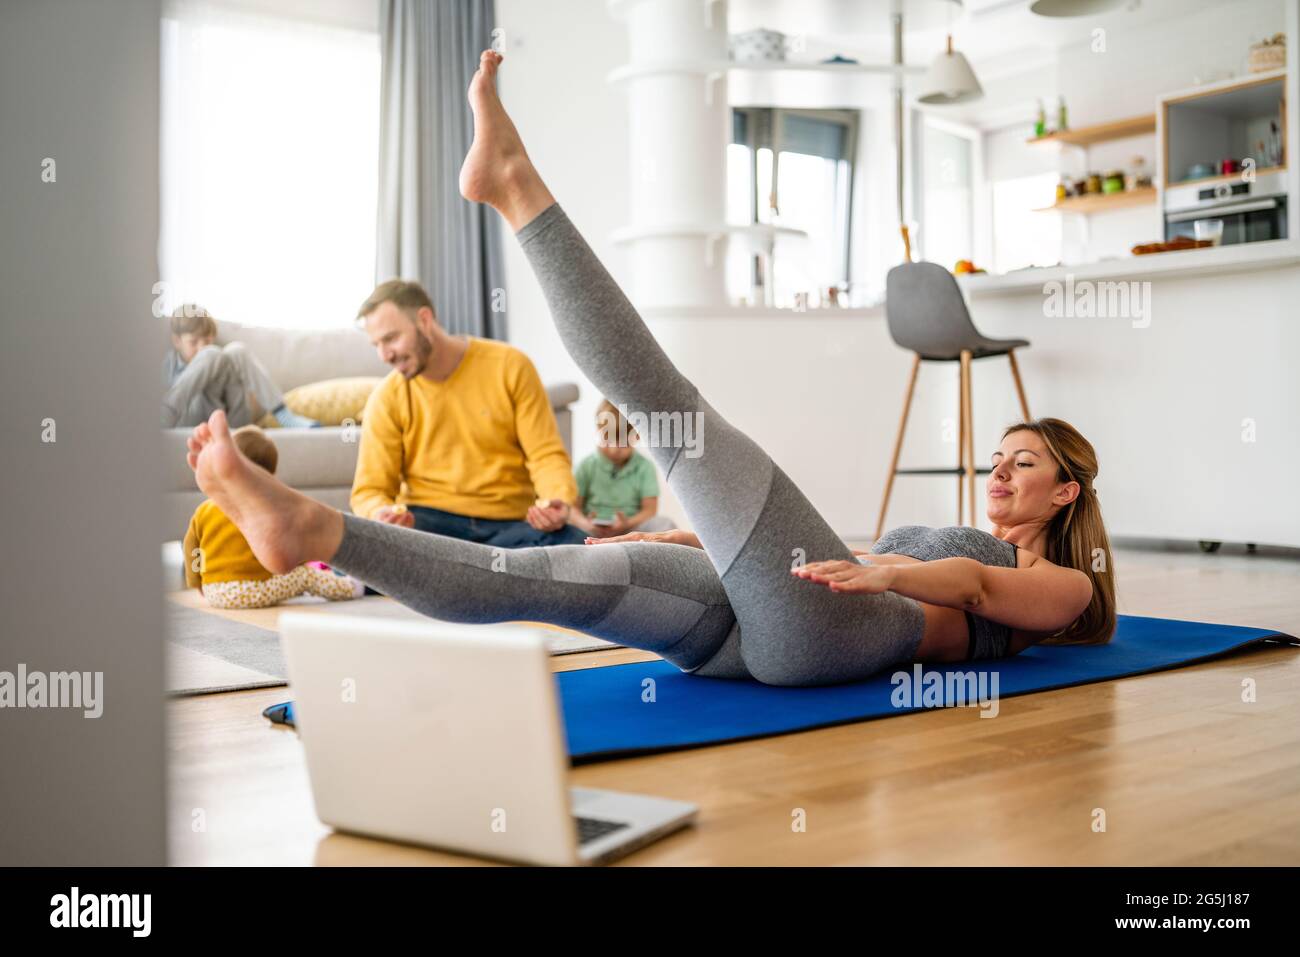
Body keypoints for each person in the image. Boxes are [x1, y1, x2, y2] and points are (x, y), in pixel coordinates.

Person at [182, 50, 1115, 687]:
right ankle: (312, 528)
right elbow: (849, 558)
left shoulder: (1067, 586)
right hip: (767, 631)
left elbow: (984, 591)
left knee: (666, 407)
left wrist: (883, 575)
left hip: (842, 632)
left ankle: (515, 185)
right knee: (540, 578)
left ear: (1067, 496)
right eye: (998, 453)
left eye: (1024, 462)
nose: (999, 468)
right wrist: (712, 546)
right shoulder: (941, 536)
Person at [350, 279, 586, 548]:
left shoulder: (510, 366)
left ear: (424, 320)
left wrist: (556, 500)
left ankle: (464, 579)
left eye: (391, 338)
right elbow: (371, 490)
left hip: (511, 525)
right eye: (376, 345)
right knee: (360, 545)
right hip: (429, 524)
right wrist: (380, 513)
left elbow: (545, 455)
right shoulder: (386, 398)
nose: (384, 355)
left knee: (580, 548)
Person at [182, 425, 362, 609]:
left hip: (213, 592)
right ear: (268, 477)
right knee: (306, 576)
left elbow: (192, 549)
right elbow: (290, 547)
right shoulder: (268, 509)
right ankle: (350, 588)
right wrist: (303, 565)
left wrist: (197, 582)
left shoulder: (203, 510)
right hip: (254, 590)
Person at [162, 305, 319, 429]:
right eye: (194, 342)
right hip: (189, 419)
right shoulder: (168, 364)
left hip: (232, 422)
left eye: (207, 340)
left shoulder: (219, 359)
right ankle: (167, 413)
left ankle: (284, 415)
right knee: (211, 354)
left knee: (237, 350)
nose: (201, 347)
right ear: (177, 341)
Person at [571, 398, 676, 539]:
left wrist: (627, 524)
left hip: (631, 529)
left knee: (665, 524)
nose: (614, 449)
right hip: (592, 531)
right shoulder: (585, 466)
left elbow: (650, 510)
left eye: (623, 442)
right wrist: (586, 524)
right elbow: (573, 508)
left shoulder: (644, 467)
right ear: (598, 432)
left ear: (637, 436)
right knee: (567, 529)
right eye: (608, 440)